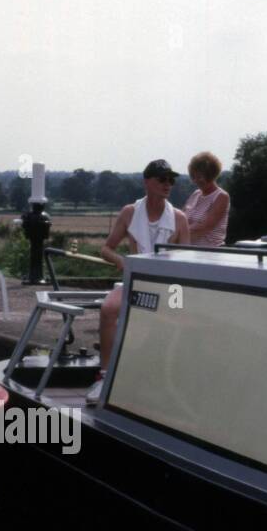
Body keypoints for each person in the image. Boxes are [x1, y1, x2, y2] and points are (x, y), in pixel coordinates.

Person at [88, 160, 191, 404]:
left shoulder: (179, 219)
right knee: (108, 309)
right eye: (162, 179)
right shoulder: (129, 212)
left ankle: (167, 382)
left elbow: (187, 263)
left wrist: (179, 296)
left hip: (169, 286)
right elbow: (106, 249)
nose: (168, 184)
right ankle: (103, 377)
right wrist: (121, 260)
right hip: (135, 281)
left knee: (181, 313)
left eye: (171, 180)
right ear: (147, 182)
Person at [180, 151, 229, 247]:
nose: (195, 180)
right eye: (193, 177)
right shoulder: (196, 194)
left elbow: (205, 227)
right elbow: (181, 219)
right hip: (189, 251)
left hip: (211, 253)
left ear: (210, 175)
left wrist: (178, 233)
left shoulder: (221, 196)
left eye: (199, 177)